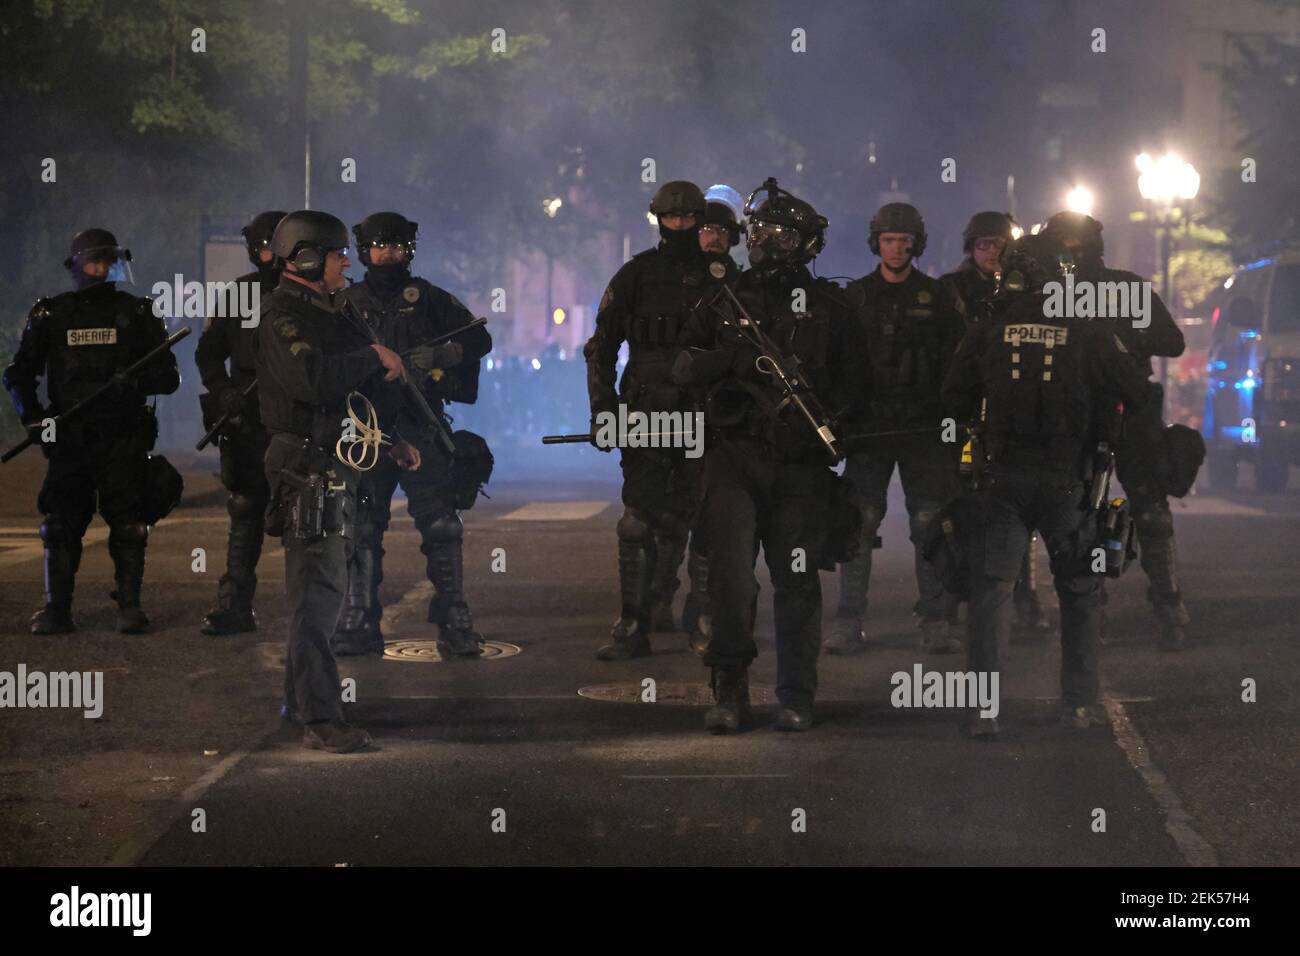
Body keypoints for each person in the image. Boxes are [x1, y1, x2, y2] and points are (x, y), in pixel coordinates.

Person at [674, 177, 867, 733]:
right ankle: (728, 690)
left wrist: (832, 428)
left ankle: (796, 695)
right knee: (730, 582)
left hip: (802, 465)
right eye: (758, 229)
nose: (761, 241)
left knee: (798, 581)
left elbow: (858, 390)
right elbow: (684, 365)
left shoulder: (833, 308)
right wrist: (730, 363)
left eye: (777, 233)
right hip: (734, 456)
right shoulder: (724, 297)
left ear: (803, 244)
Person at [942, 233, 1151, 737]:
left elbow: (951, 398)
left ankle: (983, 709)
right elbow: (1135, 392)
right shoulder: (1089, 329)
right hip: (1070, 478)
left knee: (991, 590)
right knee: (1079, 589)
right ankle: (1077, 704)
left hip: (1003, 475)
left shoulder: (989, 327)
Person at [256, 209, 418, 753]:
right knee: (318, 596)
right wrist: (370, 354)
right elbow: (312, 380)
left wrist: (390, 440)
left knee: (323, 590)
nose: (344, 262)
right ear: (304, 258)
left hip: (336, 463)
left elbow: (355, 397)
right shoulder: (284, 316)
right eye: (334, 254)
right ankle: (322, 720)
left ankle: (299, 705)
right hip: (307, 469)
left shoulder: (334, 311)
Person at [584, 180, 736, 660]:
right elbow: (601, 348)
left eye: (688, 218)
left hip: (705, 411)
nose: (679, 225)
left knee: (708, 518)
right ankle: (634, 622)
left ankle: (706, 618)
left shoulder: (722, 275)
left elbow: (744, 348)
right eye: (671, 218)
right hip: (645, 411)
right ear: (658, 219)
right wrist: (603, 410)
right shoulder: (635, 275)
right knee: (637, 521)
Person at [332, 211, 493, 657]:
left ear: (410, 250)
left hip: (420, 422)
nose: (389, 253)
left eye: (397, 245)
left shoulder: (428, 299)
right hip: (367, 428)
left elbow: (480, 339)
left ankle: (455, 619)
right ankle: (359, 617)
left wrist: (442, 352)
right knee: (363, 525)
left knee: (441, 524)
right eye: (380, 246)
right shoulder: (347, 302)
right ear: (365, 252)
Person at [4, 228, 180, 634]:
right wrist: (33, 419)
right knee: (60, 524)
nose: (100, 270)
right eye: (92, 261)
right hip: (71, 437)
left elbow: (169, 377)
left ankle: (130, 606)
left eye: (107, 261)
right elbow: (18, 374)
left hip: (122, 436)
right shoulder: (52, 315)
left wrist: (134, 384)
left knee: (130, 522)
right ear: (76, 265)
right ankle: (57, 609)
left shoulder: (138, 313)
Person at [1042, 211, 1189, 650]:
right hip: (1104, 411)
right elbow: (1170, 342)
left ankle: (1112, 609)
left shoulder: (1057, 292)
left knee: (1103, 513)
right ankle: (1164, 606)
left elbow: (1171, 342)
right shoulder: (1122, 287)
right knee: (1139, 512)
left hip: (1101, 411)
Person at [828, 202, 966, 656]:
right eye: (889, 240)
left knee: (929, 523)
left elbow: (958, 361)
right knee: (859, 524)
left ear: (916, 245)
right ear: (877, 243)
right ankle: (849, 621)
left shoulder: (940, 297)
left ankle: (936, 618)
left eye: (905, 241)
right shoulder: (856, 297)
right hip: (870, 426)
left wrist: (952, 415)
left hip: (923, 426)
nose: (897, 248)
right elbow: (840, 363)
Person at [941, 211, 1049, 633]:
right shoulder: (952, 291)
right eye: (984, 245)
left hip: (1012, 415)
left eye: (1000, 245)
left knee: (1016, 510)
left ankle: (1025, 596)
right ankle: (952, 601)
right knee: (958, 508)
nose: (992, 253)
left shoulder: (1029, 292)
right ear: (972, 248)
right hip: (966, 409)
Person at [195, 209, 286, 635]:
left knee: (309, 514)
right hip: (248, 418)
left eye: (274, 246)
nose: (266, 255)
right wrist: (222, 390)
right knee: (245, 507)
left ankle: (320, 611)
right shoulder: (237, 294)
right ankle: (234, 605)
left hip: (295, 418)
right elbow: (208, 353)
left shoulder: (315, 293)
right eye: (261, 247)